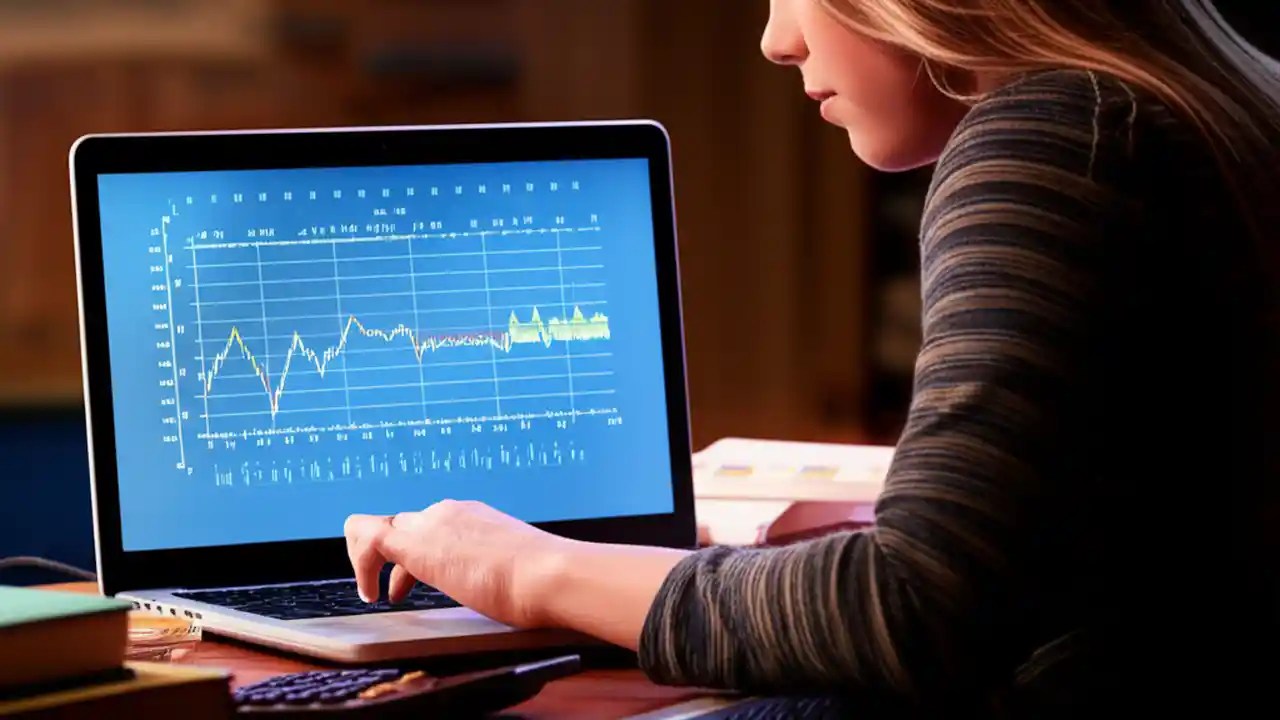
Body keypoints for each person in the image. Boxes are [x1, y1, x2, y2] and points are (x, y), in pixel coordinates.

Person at [344, 0, 1280, 715]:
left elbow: (911, 605)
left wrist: (527, 571)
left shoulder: (1057, 138)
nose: (774, 40)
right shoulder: (1219, 103)